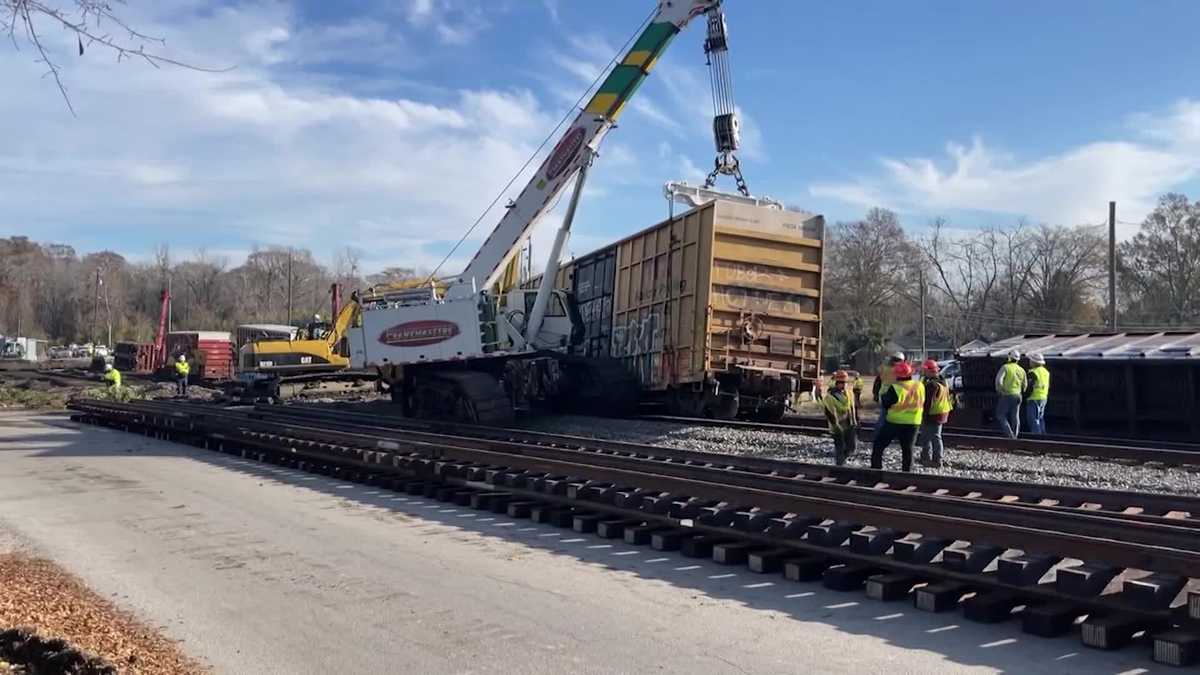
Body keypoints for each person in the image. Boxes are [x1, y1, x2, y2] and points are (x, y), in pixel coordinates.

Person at [872, 360, 924, 472]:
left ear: (898, 375)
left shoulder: (895, 388)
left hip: (894, 422)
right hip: (914, 422)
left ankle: (876, 469)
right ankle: (906, 473)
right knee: (908, 449)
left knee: (878, 445)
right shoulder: (919, 385)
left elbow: (886, 403)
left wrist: (883, 394)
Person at [918, 359, 952, 467]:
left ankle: (936, 459)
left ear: (930, 371)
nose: (924, 372)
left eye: (925, 370)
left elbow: (928, 403)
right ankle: (927, 457)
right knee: (931, 436)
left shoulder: (932, 385)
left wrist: (923, 415)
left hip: (933, 414)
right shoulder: (942, 381)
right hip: (942, 412)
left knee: (933, 436)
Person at [822, 370, 857, 466]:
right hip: (837, 426)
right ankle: (840, 466)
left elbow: (852, 408)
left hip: (849, 424)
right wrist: (836, 426)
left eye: (845, 382)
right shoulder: (830, 397)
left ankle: (842, 461)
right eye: (841, 383)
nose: (844, 385)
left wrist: (855, 420)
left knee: (852, 447)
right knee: (840, 448)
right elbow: (829, 413)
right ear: (837, 383)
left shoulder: (849, 393)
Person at [994, 350, 1026, 438]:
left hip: (1007, 394)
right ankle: (1015, 435)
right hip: (1018, 395)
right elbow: (1025, 385)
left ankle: (1009, 434)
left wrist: (1000, 390)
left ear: (1009, 358)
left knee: (1000, 414)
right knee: (1015, 416)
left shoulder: (1005, 367)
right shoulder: (1021, 370)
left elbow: (999, 380)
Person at [1025, 352, 1050, 434]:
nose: (1029, 362)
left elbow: (1029, 387)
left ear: (1034, 362)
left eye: (1031, 360)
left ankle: (1036, 436)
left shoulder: (1033, 372)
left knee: (1033, 419)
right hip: (1043, 397)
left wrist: (1025, 396)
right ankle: (1043, 435)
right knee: (1040, 418)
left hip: (1033, 398)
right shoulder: (1046, 372)